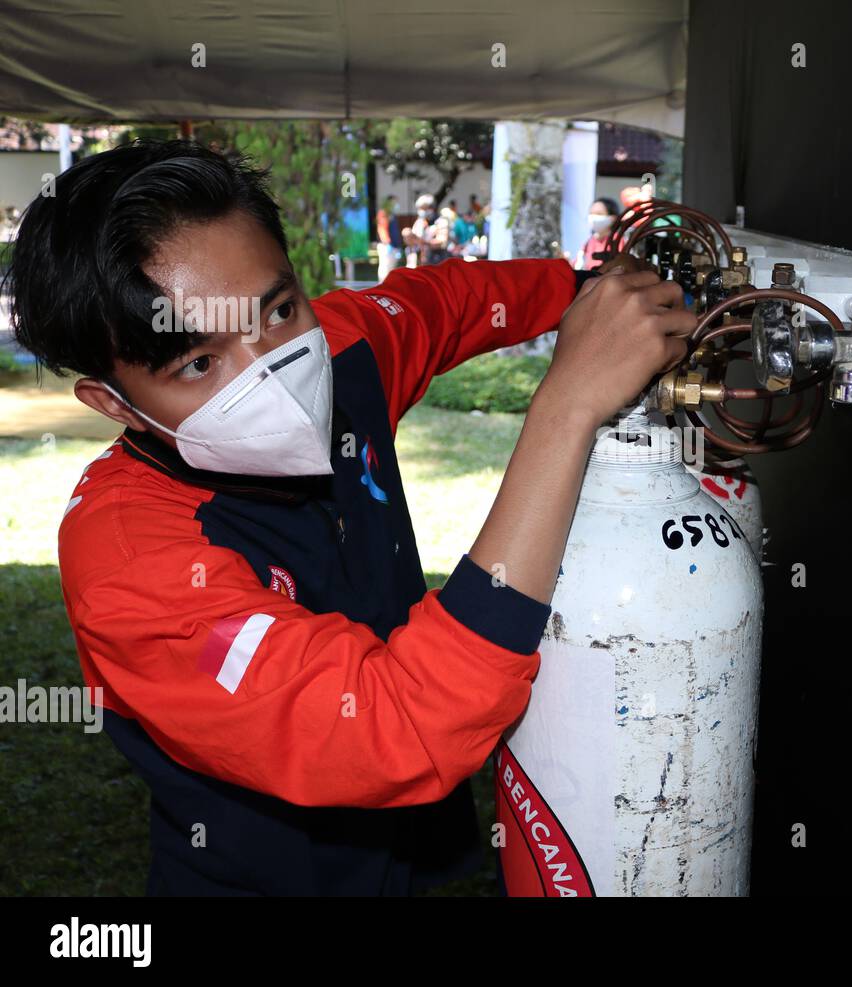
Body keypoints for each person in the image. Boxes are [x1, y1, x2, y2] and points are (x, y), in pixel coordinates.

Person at [4, 139, 689, 896]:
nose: (274, 375)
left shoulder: (339, 350)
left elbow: (445, 305)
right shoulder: (129, 565)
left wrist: (586, 289)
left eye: (280, 310)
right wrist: (566, 407)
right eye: (199, 364)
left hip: (407, 854)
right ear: (112, 401)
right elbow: (396, 723)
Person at [575, 197, 619, 271]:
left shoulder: (618, 241)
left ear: (613, 218)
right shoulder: (589, 242)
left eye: (599, 214)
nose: (593, 217)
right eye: (591, 213)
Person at [375, 195, 401, 280]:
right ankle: (381, 289)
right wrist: (387, 244)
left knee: (391, 270)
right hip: (387, 246)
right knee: (385, 269)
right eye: (394, 202)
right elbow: (382, 229)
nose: (396, 204)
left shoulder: (392, 215)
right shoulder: (384, 213)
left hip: (394, 246)